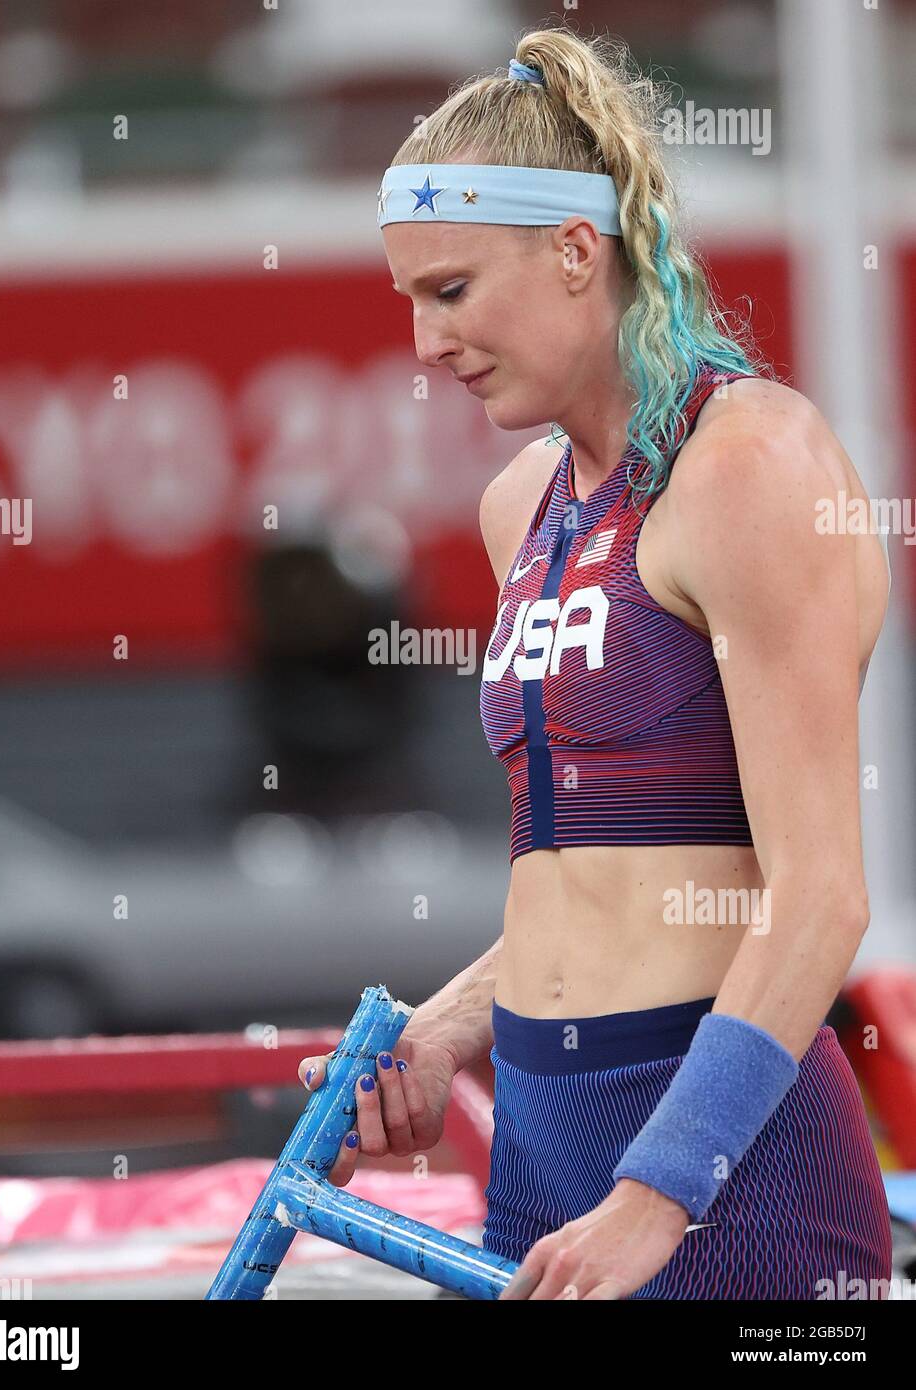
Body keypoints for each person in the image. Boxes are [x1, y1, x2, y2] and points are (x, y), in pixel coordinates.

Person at [298, 27, 894, 1300]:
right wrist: (445, 1029)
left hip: (724, 1172)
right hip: (545, 1148)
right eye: (406, 298)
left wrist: (657, 1191)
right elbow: (598, 868)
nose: (420, 344)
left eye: (449, 291)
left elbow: (821, 896)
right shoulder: (524, 502)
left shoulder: (748, 468)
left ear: (578, 250)